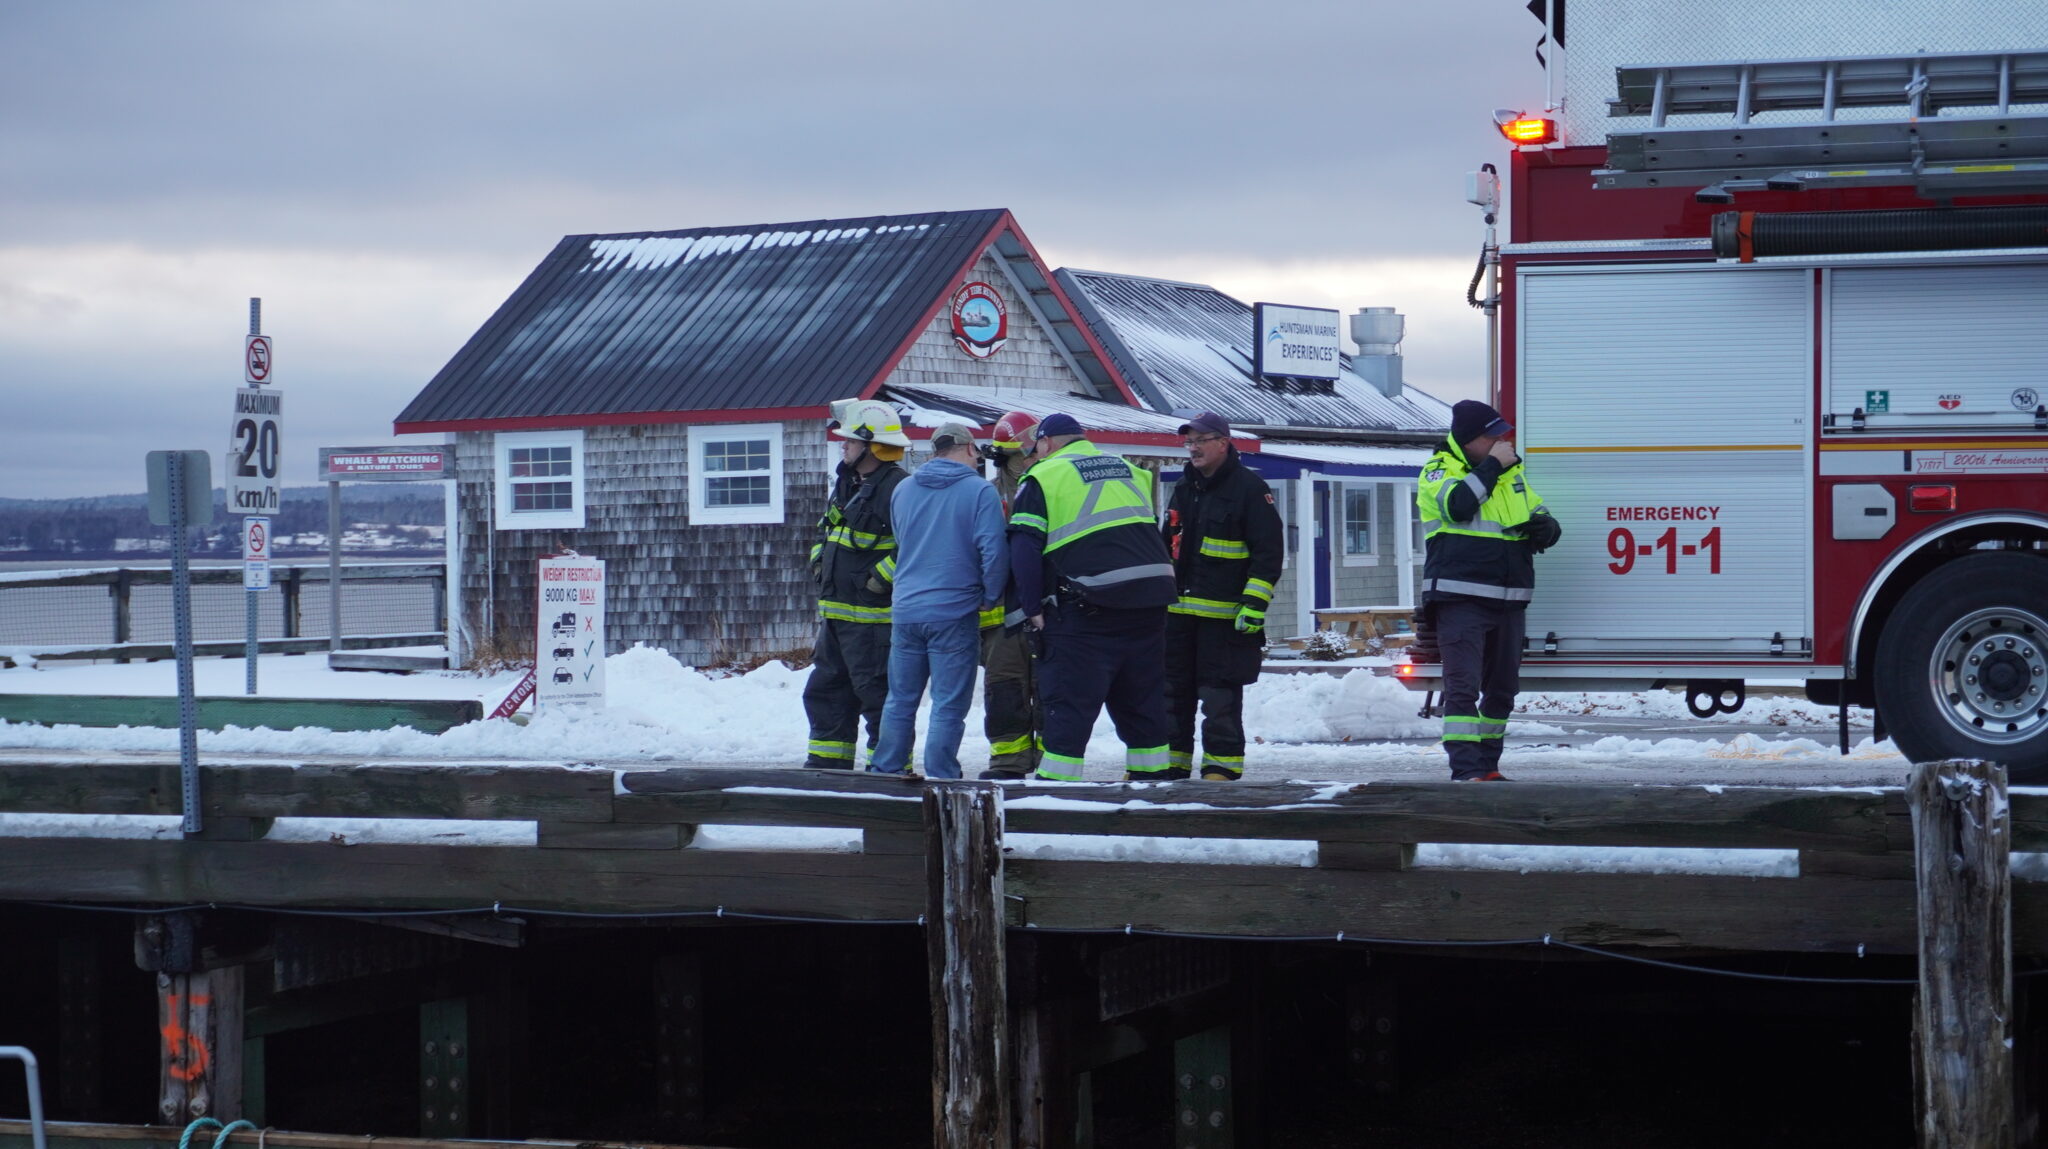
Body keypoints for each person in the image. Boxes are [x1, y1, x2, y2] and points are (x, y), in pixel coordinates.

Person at [1007, 412, 1178, 782]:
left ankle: (1057, 795)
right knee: (1144, 704)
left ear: (1047, 443)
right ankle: (1155, 796)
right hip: (1151, 600)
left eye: (1035, 446)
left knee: (1068, 704)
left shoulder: (1043, 475)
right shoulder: (1128, 468)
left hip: (1089, 606)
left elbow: (1023, 547)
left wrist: (1032, 607)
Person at [1415, 399, 1562, 781]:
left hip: (1509, 599)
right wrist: (1493, 465)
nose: (1502, 442)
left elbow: (1537, 511)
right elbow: (1458, 506)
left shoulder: (1510, 474)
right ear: (1469, 440)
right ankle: (1466, 771)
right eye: (1492, 436)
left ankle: (1488, 767)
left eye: (1502, 435)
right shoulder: (1438, 470)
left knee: (1501, 692)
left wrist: (1547, 528)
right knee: (1462, 689)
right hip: (1460, 598)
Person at [869, 423, 1007, 779]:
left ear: (935, 450)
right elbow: (993, 550)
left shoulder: (904, 489)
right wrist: (990, 596)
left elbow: (904, 542)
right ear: (969, 449)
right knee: (947, 704)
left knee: (900, 700)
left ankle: (887, 771)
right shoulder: (979, 492)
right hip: (954, 611)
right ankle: (942, 778)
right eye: (976, 452)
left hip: (907, 610)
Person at [1160, 412, 1284, 781]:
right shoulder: (1183, 488)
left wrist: (1254, 604)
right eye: (1189, 442)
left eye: (1200, 441)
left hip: (1225, 617)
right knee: (1171, 693)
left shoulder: (1249, 489)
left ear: (1223, 443)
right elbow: (1169, 545)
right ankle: (1172, 764)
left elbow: (1268, 554)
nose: (1193, 448)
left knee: (1219, 697)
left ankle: (1221, 768)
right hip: (1178, 613)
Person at [803, 399, 911, 770]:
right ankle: (826, 772)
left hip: (874, 624)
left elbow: (916, 546)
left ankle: (886, 777)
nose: (843, 445)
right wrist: (819, 562)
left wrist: (878, 581)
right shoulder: (848, 483)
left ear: (871, 444)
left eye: (849, 440)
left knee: (877, 699)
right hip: (835, 618)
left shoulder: (900, 489)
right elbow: (825, 532)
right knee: (826, 693)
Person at [976, 410, 1044, 780]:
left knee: (1048, 685)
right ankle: (1009, 760)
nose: (1033, 457)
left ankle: (1052, 758)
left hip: (1043, 608)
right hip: (1000, 616)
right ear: (1007, 455)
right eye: (1027, 452)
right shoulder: (988, 496)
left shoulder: (1049, 486)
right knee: (1004, 686)